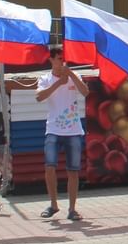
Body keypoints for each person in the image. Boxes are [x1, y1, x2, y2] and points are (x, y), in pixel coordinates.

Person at [35, 46, 88, 221]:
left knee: (73, 170)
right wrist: (59, 82)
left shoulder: (74, 76)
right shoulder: (45, 78)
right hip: (53, 129)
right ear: (51, 59)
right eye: (58, 58)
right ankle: (53, 204)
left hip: (73, 130)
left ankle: (72, 209)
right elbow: (39, 97)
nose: (62, 62)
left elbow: (86, 92)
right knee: (49, 166)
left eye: (64, 59)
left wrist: (71, 75)